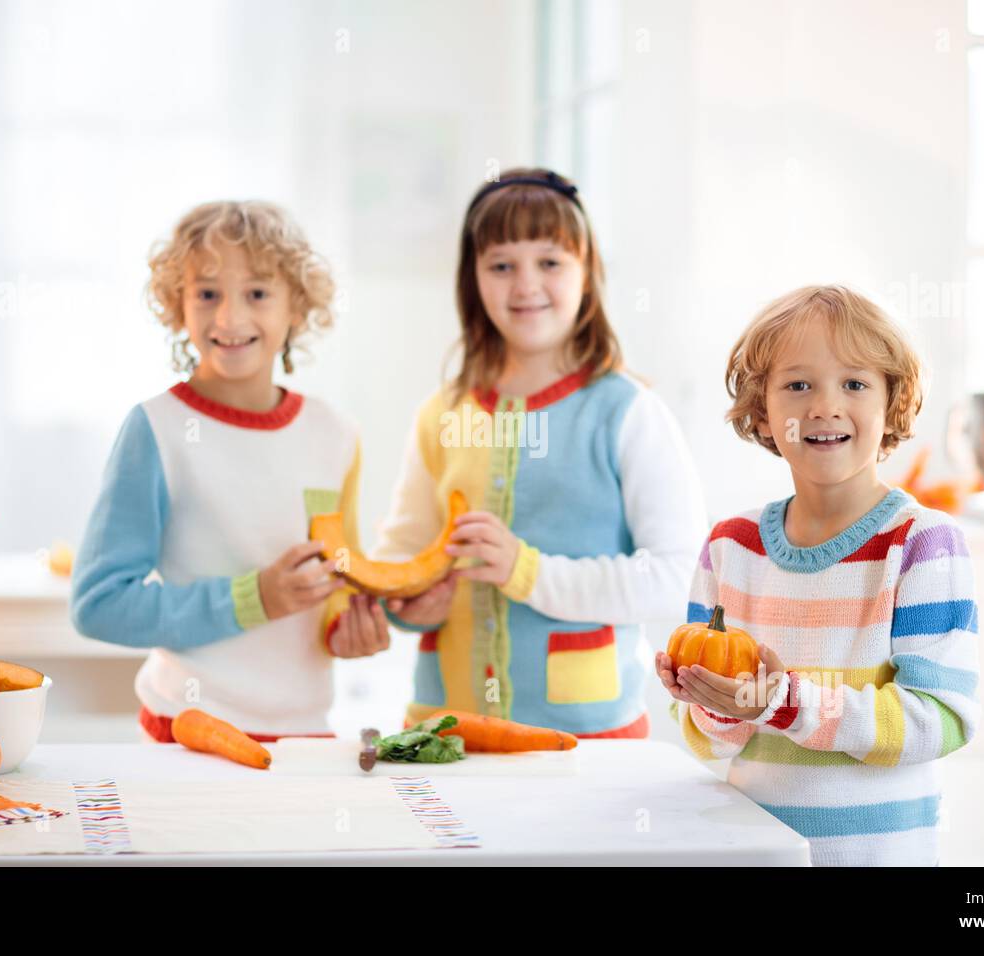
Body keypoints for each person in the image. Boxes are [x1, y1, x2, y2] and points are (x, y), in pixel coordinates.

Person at [377, 168, 706, 737]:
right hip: (446, 732)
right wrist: (402, 605)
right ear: (472, 280)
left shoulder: (629, 412)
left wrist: (528, 572)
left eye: (550, 262)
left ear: (587, 273)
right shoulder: (440, 415)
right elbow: (401, 557)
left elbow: (679, 577)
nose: (525, 285)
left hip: (585, 740)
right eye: (501, 265)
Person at [657, 285, 979, 866]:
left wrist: (784, 703)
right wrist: (713, 702)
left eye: (854, 384)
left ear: (892, 403)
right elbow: (707, 739)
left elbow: (941, 722)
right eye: (798, 384)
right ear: (762, 410)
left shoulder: (923, 544)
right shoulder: (730, 547)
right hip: (752, 854)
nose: (824, 406)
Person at [71, 200, 387, 743]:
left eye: (258, 294)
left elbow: (338, 576)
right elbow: (99, 604)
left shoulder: (336, 434)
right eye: (207, 293)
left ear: (297, 308)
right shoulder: (155, 429)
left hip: (305, 738)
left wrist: (347, 630)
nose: (230, 319)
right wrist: (251, 599)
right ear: (178, 306)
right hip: (188, 730)